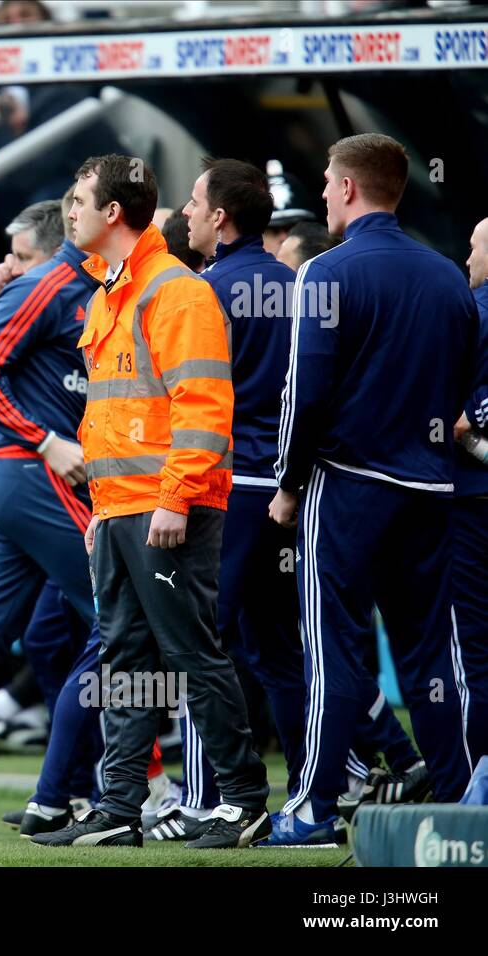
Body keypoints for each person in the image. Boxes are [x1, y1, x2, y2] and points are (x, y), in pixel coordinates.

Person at [155, 158, 418, 842]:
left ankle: (209, 798)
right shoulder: (295, 280)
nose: (185, 213)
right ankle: (316, 790)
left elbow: (184, 400)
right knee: (277, 650)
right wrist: (291, 480)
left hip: (224, 484)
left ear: (220, 215)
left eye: (192, 202)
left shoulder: (202, 290)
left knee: (204, 642)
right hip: (285, 489)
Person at [37, 154, 271, 850]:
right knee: (126, 661)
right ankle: (118, 808)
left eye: (79, 199)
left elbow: (204, 407)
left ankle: (244, 800)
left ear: (113, 212)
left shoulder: (176, 292)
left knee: (191, 653)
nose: (69, 211)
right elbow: (111, 416)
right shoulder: (114, 291)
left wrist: (174, 497)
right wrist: (104, 507)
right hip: (122, 508)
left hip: (169, 508)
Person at [267, 133, 478, 844]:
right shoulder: (450, 276)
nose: (323, 194)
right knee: (434, 657)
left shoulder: (324, 273)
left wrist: (289, 482)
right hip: (430, 488)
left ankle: (313, 808)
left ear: (350, 188)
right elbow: (458, 386)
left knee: (334, 648)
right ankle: (457, 799)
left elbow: (306, 392)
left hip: (349, 485)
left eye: (327, 182)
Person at [0, 196, 102, 839]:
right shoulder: (53, 284)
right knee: (123, 620)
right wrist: (42, 440)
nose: (6, 267)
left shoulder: (96, 284)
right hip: (37, 477)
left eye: (18, 254)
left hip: (11, 472)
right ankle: (119, 788)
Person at [456, 216, 488, 766]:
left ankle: (476, 784)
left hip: (471, 498)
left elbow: (457, 422)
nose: (467, 259)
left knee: (473, 653)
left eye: (474, 247)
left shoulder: (473, 314)